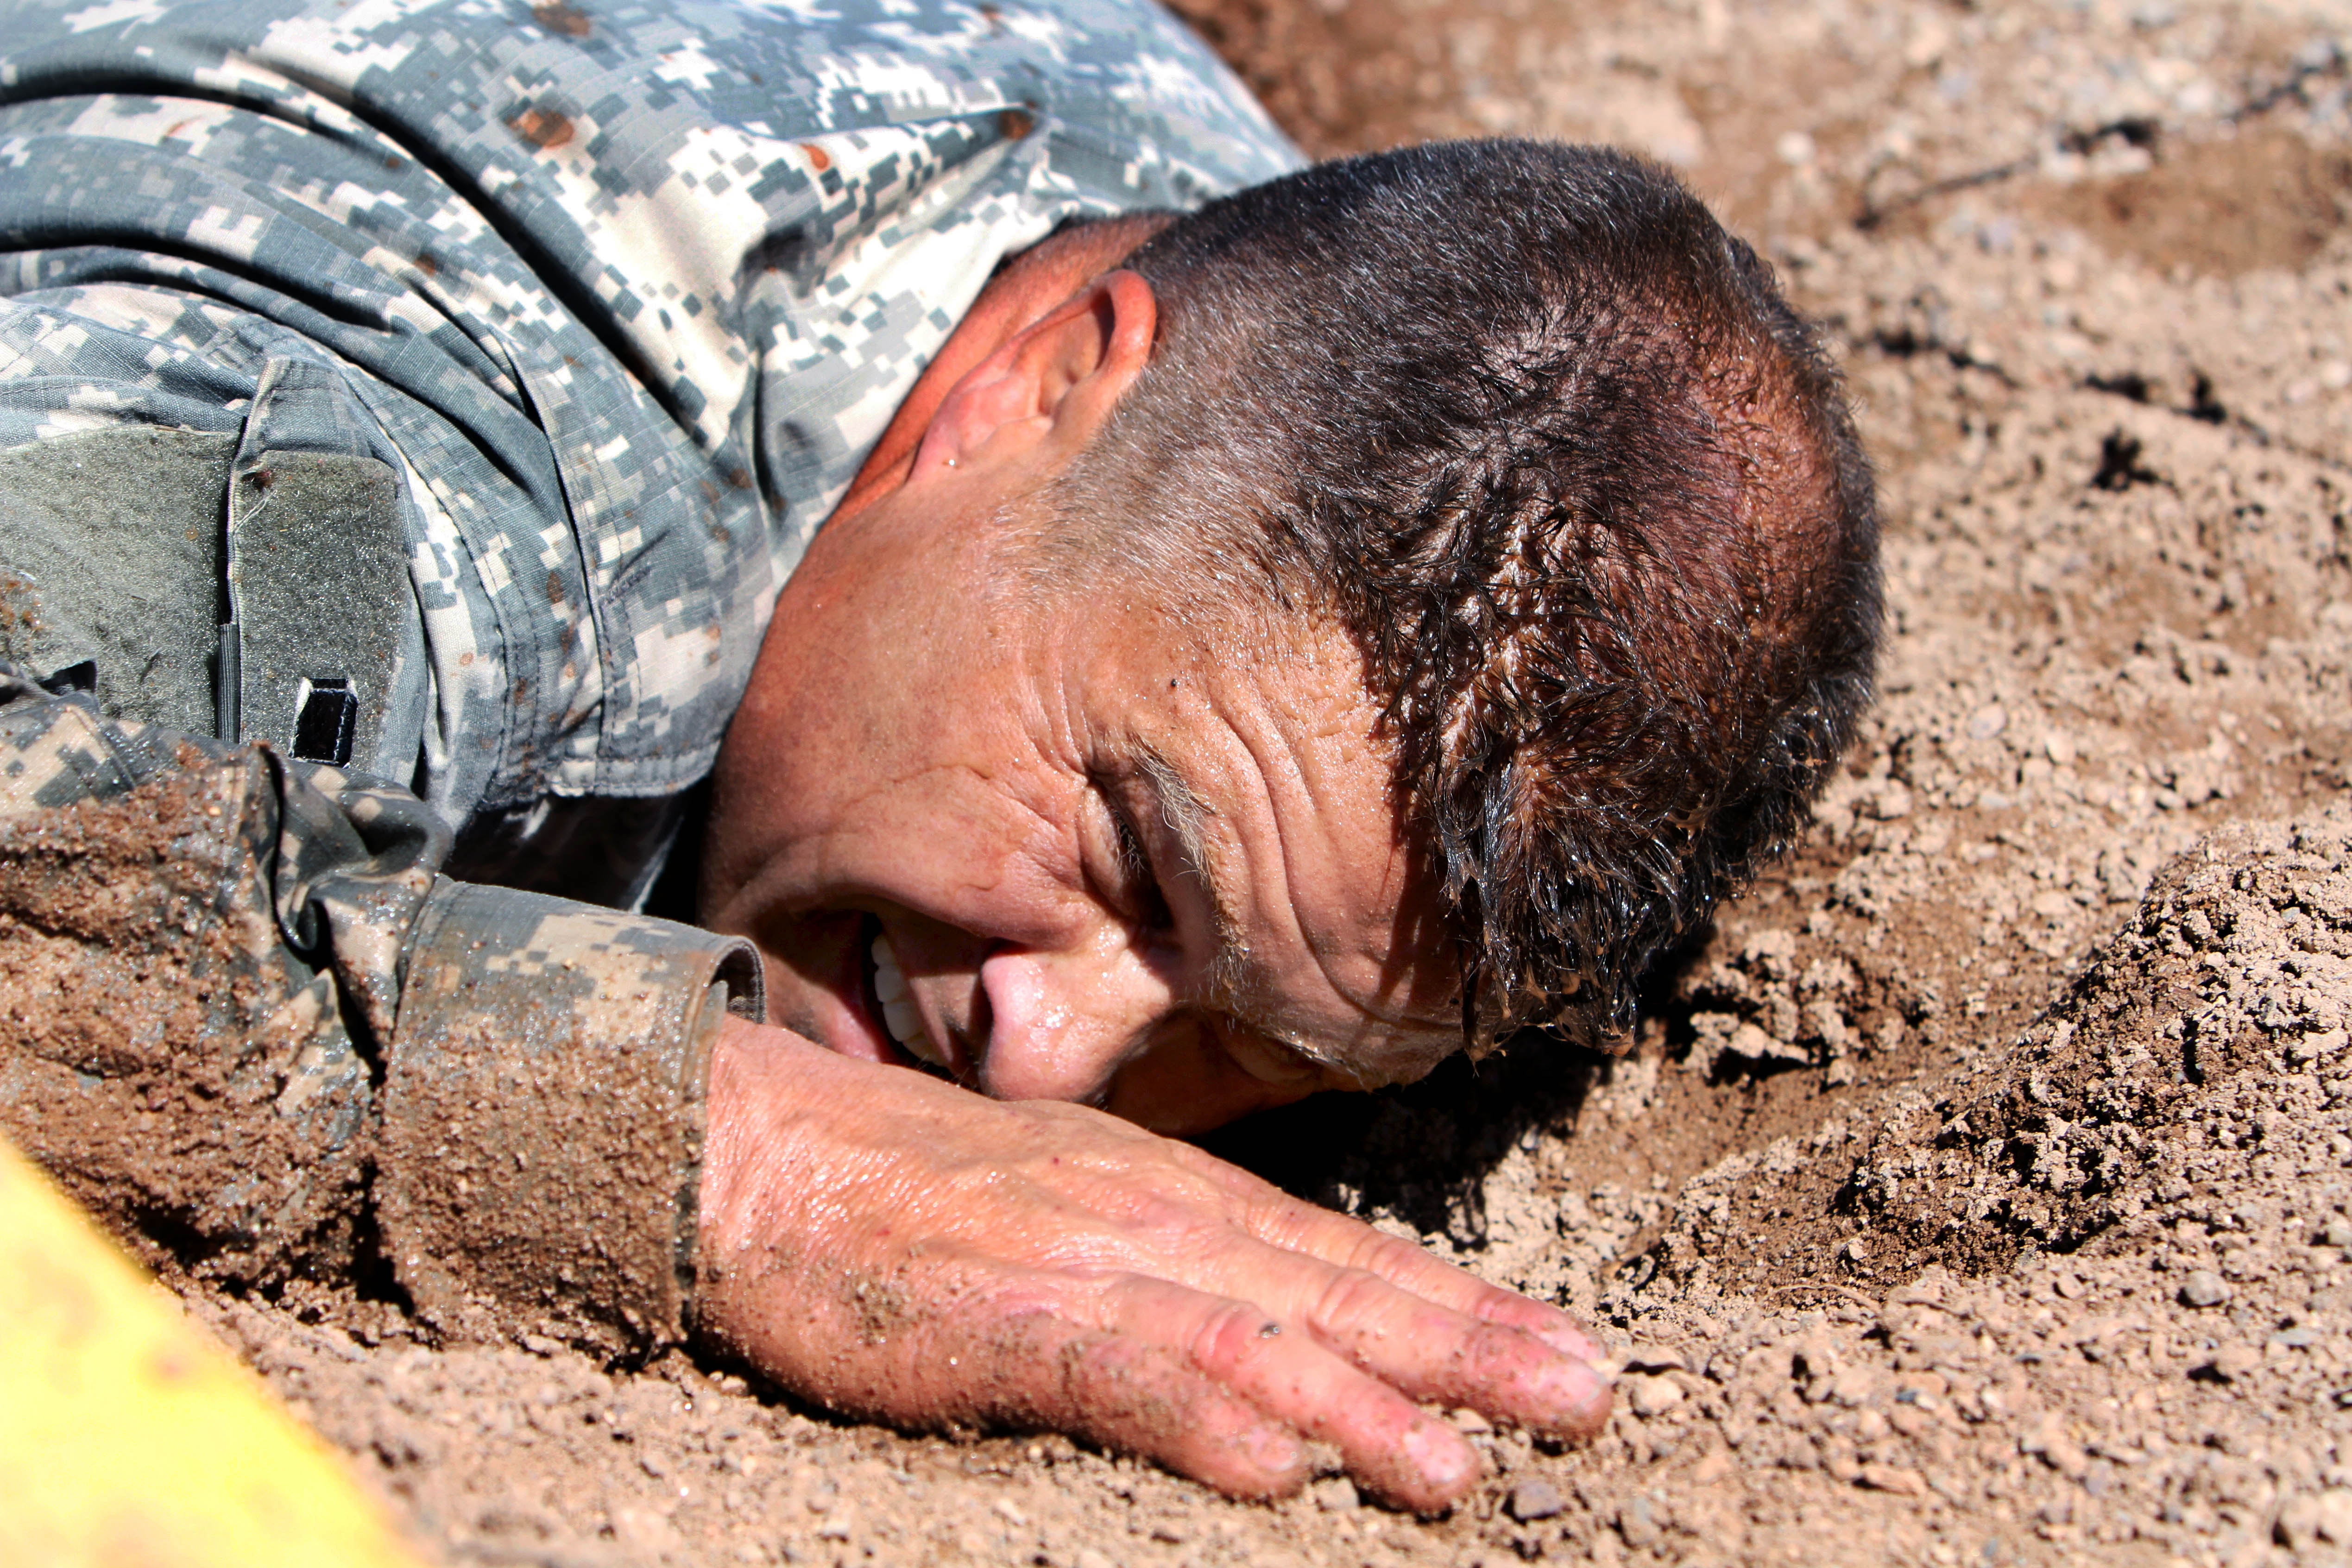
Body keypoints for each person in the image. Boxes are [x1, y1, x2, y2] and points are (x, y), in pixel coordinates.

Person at [0, 0, 1878, 1510]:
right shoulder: (444, 446)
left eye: (1243, 1045)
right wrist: (725, 1151)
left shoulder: (1285, 359)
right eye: (1138, 861)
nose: (1045, 1066)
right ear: (1032, 387)